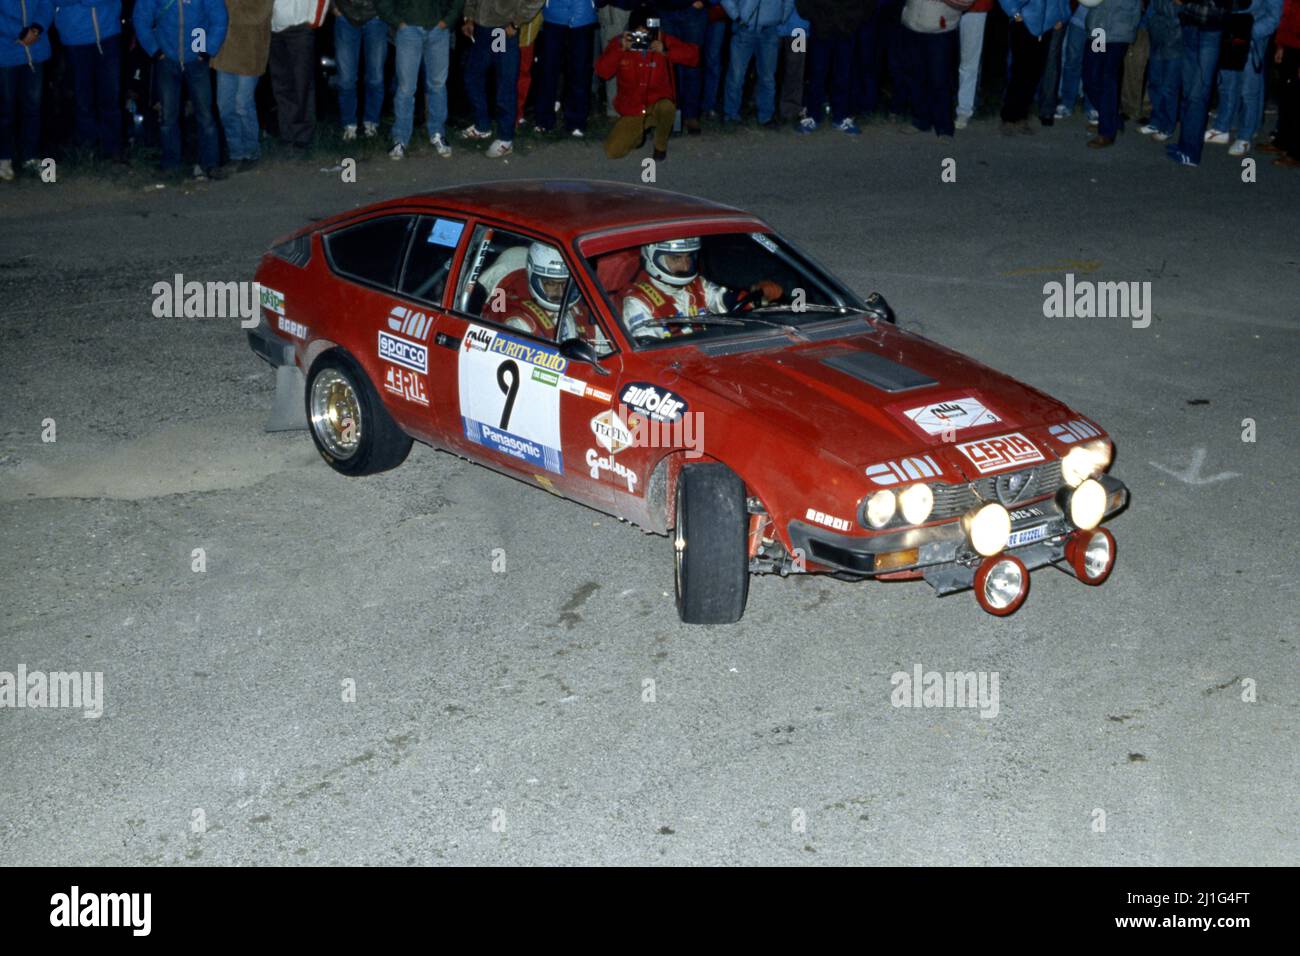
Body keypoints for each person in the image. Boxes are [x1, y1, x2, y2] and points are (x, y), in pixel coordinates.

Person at [134, 0, 228, 179]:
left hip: (196, 57)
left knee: (205, 114)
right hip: (167, 58)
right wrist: (155, 50)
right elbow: (141, 17)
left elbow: (219, 17)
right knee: (168, 116)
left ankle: (210, 164)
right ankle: (171, 165)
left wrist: (206, 49)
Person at [622, 237, 783, 338]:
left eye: (689, 257)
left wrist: (759, 295)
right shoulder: (638, 302)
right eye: (676, 258)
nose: (685, 266)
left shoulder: (697, 285)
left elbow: (725, 301)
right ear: (652, 258)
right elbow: (648, 351)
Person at [597, 6, 698, 159]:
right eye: (639, 32)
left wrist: (666, 51)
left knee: (667, 107)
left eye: (647, 32)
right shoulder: (621, 42)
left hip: (658, 103)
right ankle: (639, 134)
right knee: (613, 151)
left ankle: (660, 144)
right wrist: (620, 49)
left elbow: (694, 56)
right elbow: (602, 72)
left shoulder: (661, 39)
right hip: (633, 108)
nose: (643, 37)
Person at [378, 0, 462, 159]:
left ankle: (438, 133)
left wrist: (448, 21)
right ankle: (400, 138)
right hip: (409, 29)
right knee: (406, 88)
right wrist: (398, 22)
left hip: (439, 30)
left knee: (437, 85)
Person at [462, 0, 541, 158]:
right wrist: (469, 16)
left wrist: (516, 23)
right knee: (472, 77)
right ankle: (482, 125)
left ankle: (505, 138)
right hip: (481, 29)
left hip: (501, 30)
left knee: (505, 82)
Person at [1205, 0, 1283, 155]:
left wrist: (1249, 31)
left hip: (1252, 38)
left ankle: (1245, 135)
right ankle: (1222, 126)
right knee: (1226, 85)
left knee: (1249, 90)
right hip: (1228, 33)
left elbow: (1274, 16)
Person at [55, 0, 124, 161]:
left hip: (108, 34)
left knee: (111, 96)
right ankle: (87, 150)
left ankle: (113, 149)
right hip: (74, 37)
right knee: (82, 99)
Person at [1168, 0, 1232, 166]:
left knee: (1198, 93)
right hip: (1190, 22)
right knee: (1188, 91)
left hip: (1210, 28)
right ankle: (1184, 145)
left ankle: (1191, 152)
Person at [213, 0, 272, 171]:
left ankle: (251, 152)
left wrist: (224, 9)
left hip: (251, 55)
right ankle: (236, 153)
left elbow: (255, 16)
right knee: (225, 108)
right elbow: (209, 12)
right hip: (224, 55)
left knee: (242, 105)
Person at [797, 0, 869, 135]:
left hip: (846, 31)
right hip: (820, 30)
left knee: (843, 75)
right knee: (816, 75)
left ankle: (841, 116)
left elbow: (867, 5)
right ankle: (813, 116)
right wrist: (816, 18)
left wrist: (853, 21)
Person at [0, 0, 53, 181]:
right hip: (5, 52)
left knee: (33, 107)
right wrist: (20, 32)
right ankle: (4, 158)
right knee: (5, 108)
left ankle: (30, 156)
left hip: (35, 50)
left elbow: (46, 4)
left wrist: (36, 29)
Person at [899, 0, 967, 138]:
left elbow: (966, 2)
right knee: (915, 77)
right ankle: (920, 121)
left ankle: (944, 127)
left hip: (940, 30)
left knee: (939, 80)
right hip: (912, 25)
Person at [998, 0, 1068, 134]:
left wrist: (1062, 15)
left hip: (1047, 25)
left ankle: (1022, 116)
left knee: (1034, 74)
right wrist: (1014, 12)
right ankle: (1008, 117)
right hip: (1024, 22)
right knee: (1019, 71)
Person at [492, 242, 588, 338]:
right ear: (535, 280)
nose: (560, 292)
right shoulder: (520, 323)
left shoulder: (583, 310)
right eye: (551, 283)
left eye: (566, 283)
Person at [533, 0, 597, 136]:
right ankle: (544, 120)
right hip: (553, 17)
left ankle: (576, 121)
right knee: (548, 71)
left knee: (579, 72)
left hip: (583, 16)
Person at [1081, 0, 1140, 147]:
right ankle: (1112, 120)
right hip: (1099, 32)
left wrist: (1129, 29)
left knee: (1108, 80)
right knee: (1091, 78)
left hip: (1118, 34)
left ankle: (1106, 132)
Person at [268, 0, 324, 152]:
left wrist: (313, 22)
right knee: (281, 84)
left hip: (299, 29)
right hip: (273, 29)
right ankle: (287, 134)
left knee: (302, 83)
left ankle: (303, 137)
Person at [334, 0, 389, 140]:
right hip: (345, 16)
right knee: (346, 79)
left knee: (376, 77)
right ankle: (349, 125)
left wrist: (385, 9)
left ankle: (371, 123)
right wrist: (333, 7)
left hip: (376, 16)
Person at [659, 1, 709, 132]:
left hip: (692, 11)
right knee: (669, 66)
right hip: (665, 10)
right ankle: (673, 116)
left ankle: (691, 115)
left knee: (692, 61)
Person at [1138, 0, 1181, 140]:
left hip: (1175, 42)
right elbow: (1151, 10)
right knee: (1155, 83)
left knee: (1169, 87)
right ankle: (1156, 121)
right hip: (1157, 39)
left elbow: (1176, 13)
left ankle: (1167, 127)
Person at [1265, 0, 1300, 166]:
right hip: (1290, 43)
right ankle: (1282, 142)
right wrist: (1280, 45)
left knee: (1296, 100)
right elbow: (1286, 16)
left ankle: (1296, 152)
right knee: (1286, 97)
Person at [596, 0, 638, 117]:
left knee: (638, 57)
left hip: (636, 7)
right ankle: (614, 110)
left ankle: (634, 108)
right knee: (614, 57)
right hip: (614, 9)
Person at [955, 0, 992, 128]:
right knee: (939, 58)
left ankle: (964, 109)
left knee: (969, 61)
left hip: (975, 8)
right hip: (942, 7)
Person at [776, 1, 808, 123]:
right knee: (767, 70)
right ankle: (763, 108)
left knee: (795, 71)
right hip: (773, 25)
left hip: (799, 28)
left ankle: (791, 111)